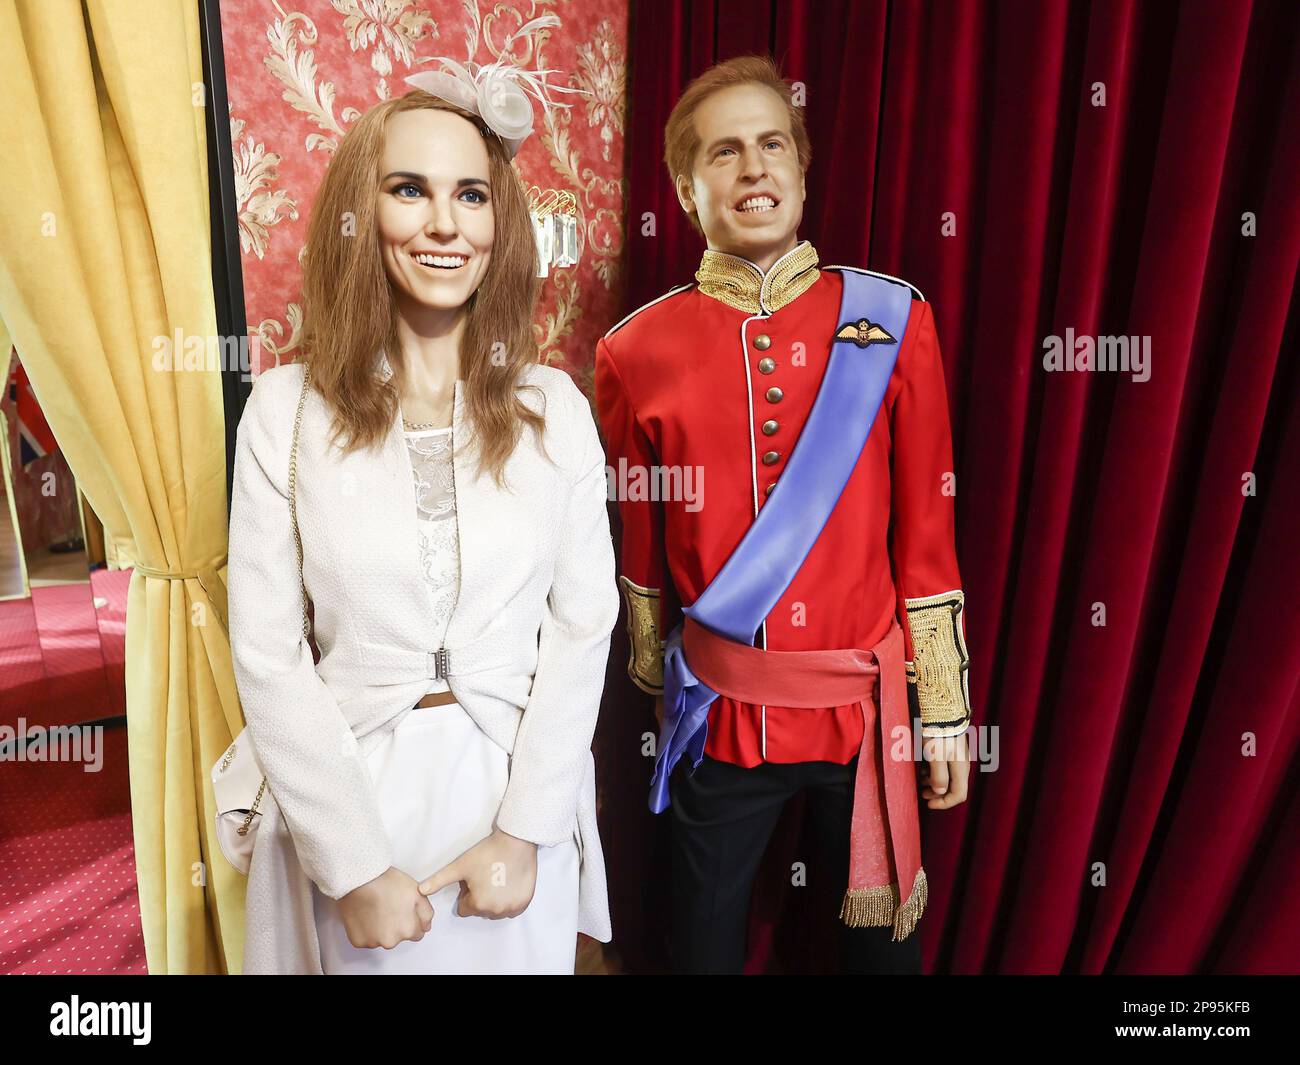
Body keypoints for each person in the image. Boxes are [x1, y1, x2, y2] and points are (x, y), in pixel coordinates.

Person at [227, 73, 618, 974]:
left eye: (470, 194)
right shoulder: (283, 412)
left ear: (498, 221)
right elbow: (266, 652)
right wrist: (354, 866)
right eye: (410, 190)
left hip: (518, 795)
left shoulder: (554, 407)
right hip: (351, 802)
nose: (445, 224)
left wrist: (526, 830)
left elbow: (582, 624)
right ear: (362, 215)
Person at [594, 54, 972, 975]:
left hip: (867, 717)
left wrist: (946, 713)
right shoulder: (632, 350)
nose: (753, 168)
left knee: (882, 963)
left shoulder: (891, 320)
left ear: (802, 173)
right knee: (700, 956)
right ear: (688, 191)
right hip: (721, 720)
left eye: (772, 145)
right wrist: (655, 672)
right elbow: (638, 550)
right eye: (724, 153)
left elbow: (926, 537)